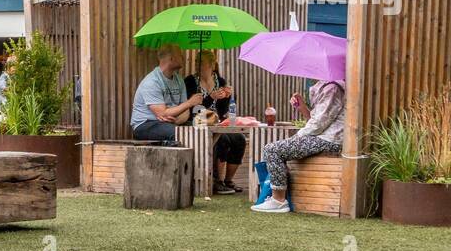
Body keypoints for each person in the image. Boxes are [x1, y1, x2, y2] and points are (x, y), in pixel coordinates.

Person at [252, 80, 346, 214]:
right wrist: (302, 107)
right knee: (277, 148)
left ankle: (278, 201)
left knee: (272, 149)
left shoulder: (332, 89)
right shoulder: (327, 87)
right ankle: (277, 197)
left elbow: (318, 124)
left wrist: (296, 137)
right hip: (325, 137)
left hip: (330, 139)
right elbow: (317, 120)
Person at [184, 51, 246, 196]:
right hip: (198, 122)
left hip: (216, 121)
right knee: (222, 139)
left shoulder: (220, 81)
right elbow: (194, 108)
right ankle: (216, 181)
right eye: (196, 62)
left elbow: (224, 110)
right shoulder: (190, 82)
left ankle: (228, 180)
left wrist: (229, 96)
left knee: (239, 139)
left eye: (201, 62)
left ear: (212, 65)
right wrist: (211, 97)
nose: (197, 65)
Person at [129, 44, 202, 145]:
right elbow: (163, 114)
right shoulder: (152, 81)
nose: (183, 58)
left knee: (202, 131)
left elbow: (186, 113)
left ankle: (203, 161)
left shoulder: (179, 80)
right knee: (179, 133)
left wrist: (174, 119)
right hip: (146, 125)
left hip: (170, 123)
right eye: (180, 55)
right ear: (171, 58)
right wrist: (190, 103)